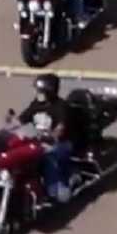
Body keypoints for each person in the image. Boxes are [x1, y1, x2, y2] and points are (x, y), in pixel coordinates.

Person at [20, 72, 75, 204]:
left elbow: (61, 128)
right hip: (40, 142)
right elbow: (22, 118)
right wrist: (8, 125)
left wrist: (52, 135)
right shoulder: (36, 104)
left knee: (48, 157)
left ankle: (56, 189)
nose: (38, 93)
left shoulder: (60, 106)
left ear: (49, 92)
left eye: (41, 91)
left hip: (62, 143)